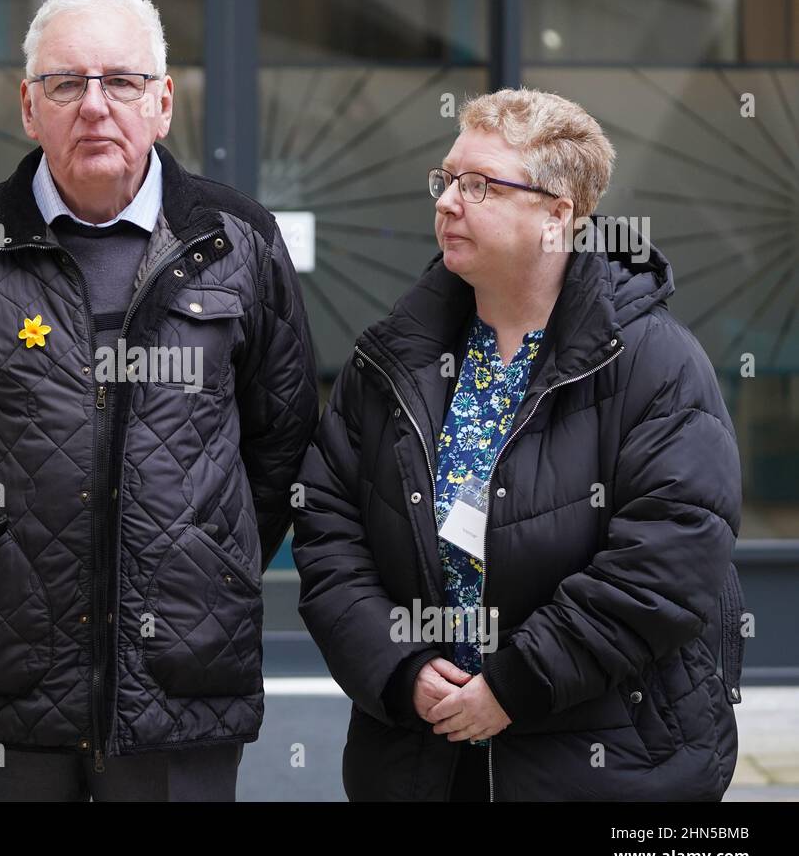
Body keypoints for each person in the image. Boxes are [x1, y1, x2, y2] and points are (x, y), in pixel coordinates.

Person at [0, 0, 319, 801]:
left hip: (183, 674)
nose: (93, 104)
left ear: (161, 104)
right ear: (27, 106)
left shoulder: (239, 243)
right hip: (4, 678)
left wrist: (211, 560)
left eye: (120, 81)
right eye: (66, 82)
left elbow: (281, 438)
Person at [293, 88, 745, 801]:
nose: (447, 202)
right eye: (446, 180)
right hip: (421, 756)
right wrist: (400, 667)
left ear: (557, 215)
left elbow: (669, 557)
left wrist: (513, 686)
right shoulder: (392, 359)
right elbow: (327, 527)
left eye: (481, 186)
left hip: (604, 759)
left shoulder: (654, 362)